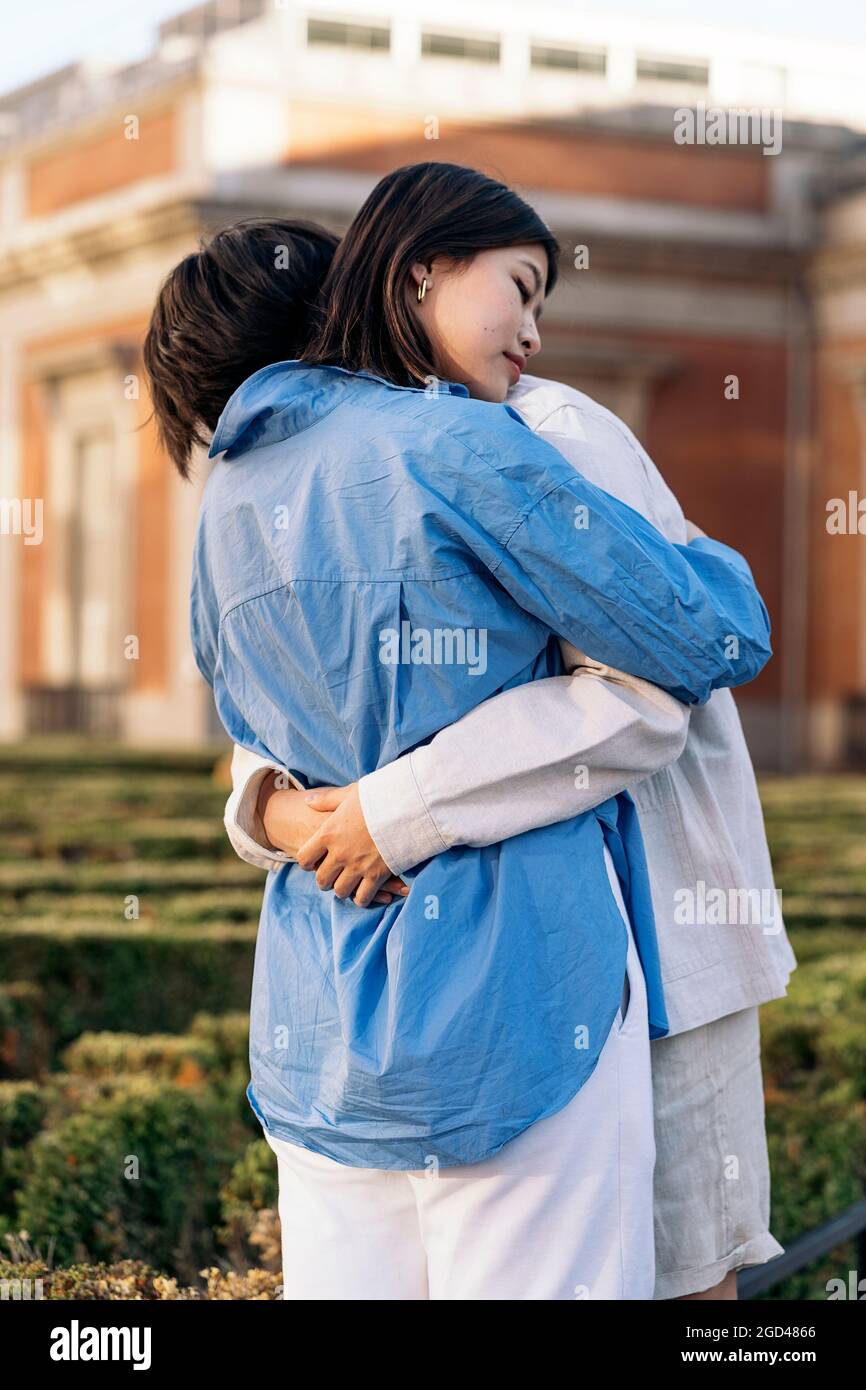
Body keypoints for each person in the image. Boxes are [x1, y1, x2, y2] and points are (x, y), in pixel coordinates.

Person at [144, 163, 774, 1299]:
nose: (531, 333)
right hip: (544, 975)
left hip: (330, 1003)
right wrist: (719, 584)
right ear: (414, 274)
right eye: (519, 290)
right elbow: (670, 661)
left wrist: (297, 810)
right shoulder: (502, 437)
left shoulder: (234, 495)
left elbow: (262, 734)